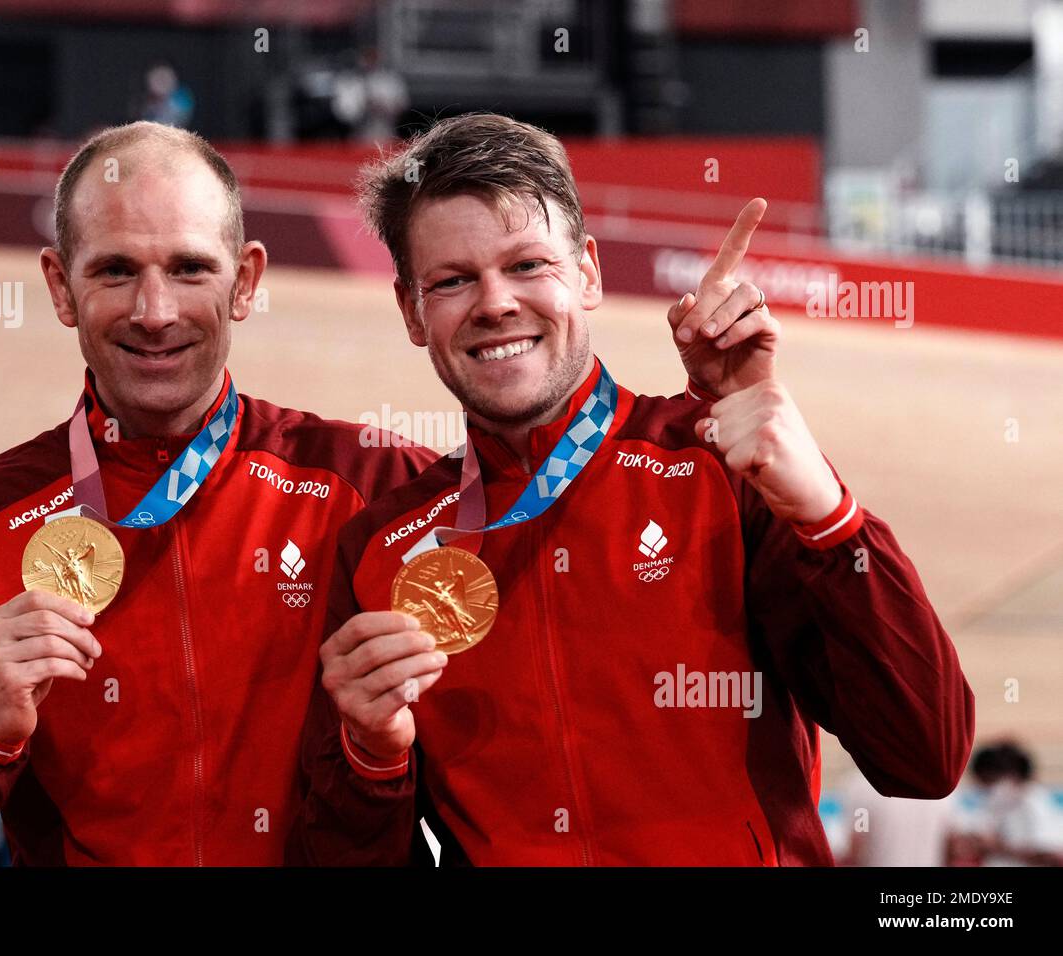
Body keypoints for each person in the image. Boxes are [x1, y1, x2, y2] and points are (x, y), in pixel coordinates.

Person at [0, 120, 750, 867]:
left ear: (244, 283)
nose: (155, 310)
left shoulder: (376, 491)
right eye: (116, 269)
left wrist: (707, 414)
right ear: (61, 286)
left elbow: (579, 556)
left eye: (192, 269)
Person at [290, 113, 975, 866]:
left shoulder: (718, 469)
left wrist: (828, 514)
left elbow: (926, 755)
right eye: (452, 280)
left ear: (586, 271)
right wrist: (371, 759)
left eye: (526, 266)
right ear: (411, 312)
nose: (494, 303)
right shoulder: (381, 551)